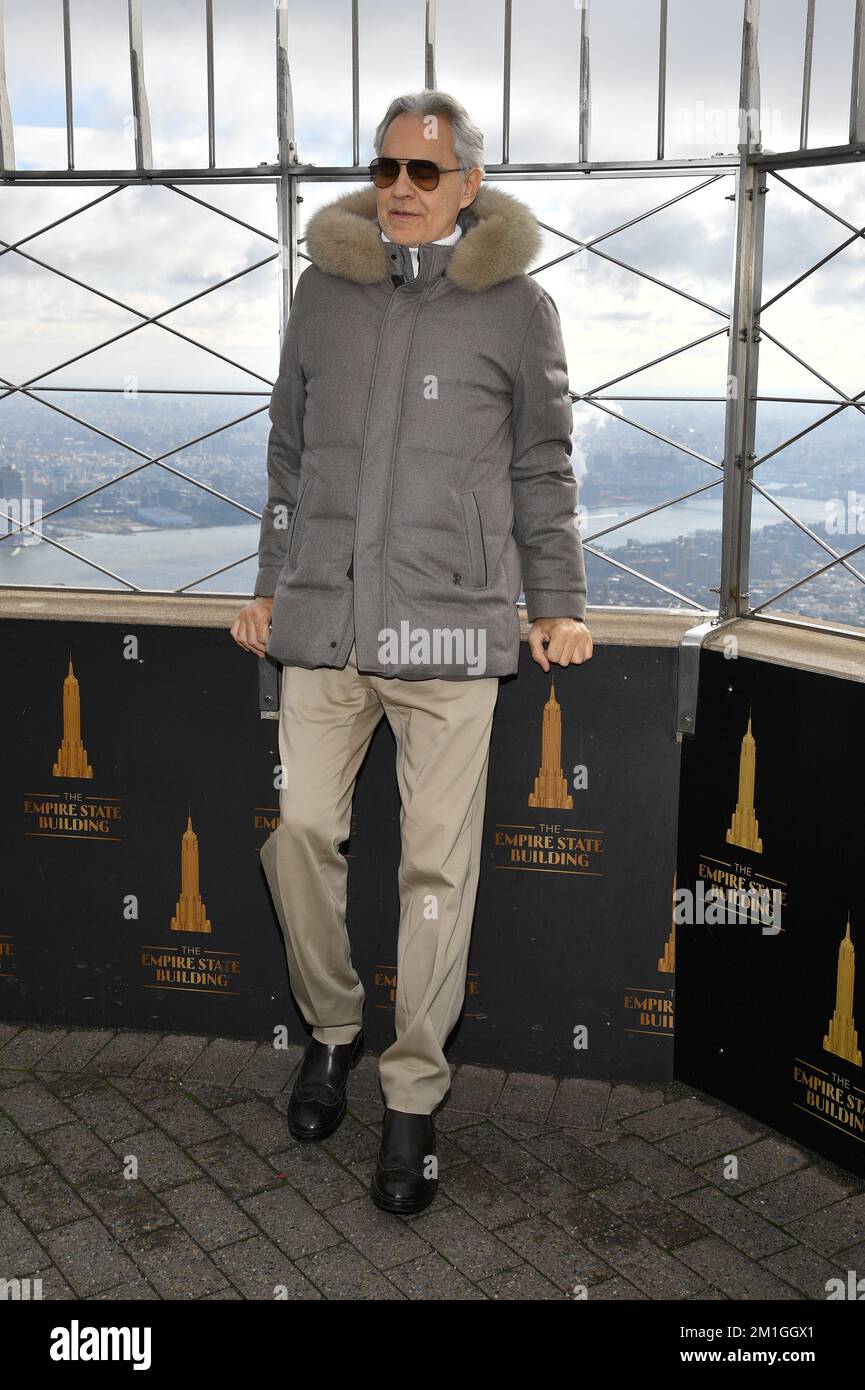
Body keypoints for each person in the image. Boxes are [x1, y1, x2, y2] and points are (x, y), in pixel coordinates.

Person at [231, 90, 593, 1216]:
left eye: (425, 172)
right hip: (325, 624)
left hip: (450, 627)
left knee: (437, 874)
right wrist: (263, 587)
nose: (400, 186)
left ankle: (411, 1095)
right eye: (386, 166)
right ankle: (332, 1031)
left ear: (467, 186)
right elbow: (289, 458)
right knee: (299, 833)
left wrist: (559, 598)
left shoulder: (516, 308)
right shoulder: (320, 291)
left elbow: (544, 465)